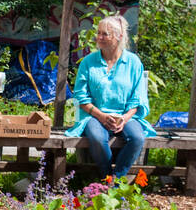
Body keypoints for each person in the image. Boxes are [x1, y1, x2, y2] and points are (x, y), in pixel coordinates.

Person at [65, 15, 155, 179]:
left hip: (125, 116)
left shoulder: (133, 62)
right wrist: (102, 116)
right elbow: (80, 96)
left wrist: (125, 118)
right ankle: (107, 178)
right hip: (94, 115)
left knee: (137, 138)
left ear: (119, 36)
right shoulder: (88, 62)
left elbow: (138, 97)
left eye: (105, 34)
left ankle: (117, 180)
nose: (99, 37)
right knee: (98, 138)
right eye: (98, 33)